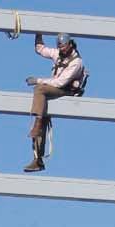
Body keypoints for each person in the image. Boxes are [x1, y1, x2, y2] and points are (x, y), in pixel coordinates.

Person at [24, 32, 87, 172]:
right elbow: (40, 49)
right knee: (42, 108)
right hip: (55, 88)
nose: (62, 50)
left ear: (70, 44)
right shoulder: (58, 53)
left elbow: (60, 82)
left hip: (66, 91)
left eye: (64, 47)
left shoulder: (76, 62)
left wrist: (38, 80)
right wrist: (38, 33)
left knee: (39, 90)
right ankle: (37, 158)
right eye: (60, 47)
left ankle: (37, 123)